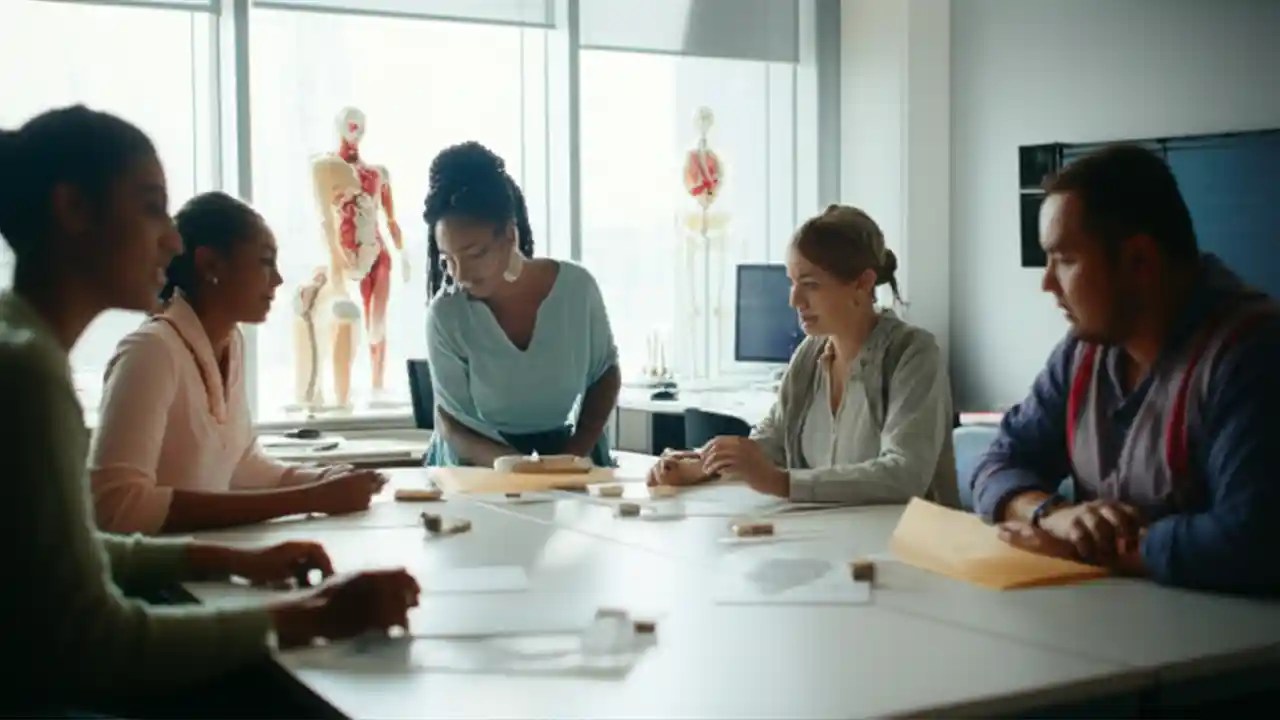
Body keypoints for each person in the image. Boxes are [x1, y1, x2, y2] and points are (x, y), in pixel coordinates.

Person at [0, 105, 418, 715]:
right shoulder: (30, 372)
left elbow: (81, 547)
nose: (171, 239)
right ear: (73, 211)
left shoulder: (30, 352)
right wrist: (317, 613)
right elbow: (93, 640)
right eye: (150, 207)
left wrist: (232, 559)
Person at [971, 144, 1280, 594]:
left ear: (1139, 261)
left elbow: (1252, 541)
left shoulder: (1251, 353)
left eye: (1066, 259)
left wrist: (1091, 548)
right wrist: (1056, 515)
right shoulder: (1082, 353)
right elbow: (997, 462)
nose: (1047, 283)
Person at [89, 191, 385, 534]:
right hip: (157, 579)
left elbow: (241, 465)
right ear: (210, 265)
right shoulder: (150, 352)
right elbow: (117, 508)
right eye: (265, 262)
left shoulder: (231, 343)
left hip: (211, 564)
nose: (277, 280)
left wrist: (323, 479)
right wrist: (310, 498)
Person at [649, 205, 958, 507]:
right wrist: (702, 464)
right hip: (828, 539)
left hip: (904, 549)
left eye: (810, 284)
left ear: (862, 283)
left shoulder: (913, 354)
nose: (794, 299)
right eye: (793, 282)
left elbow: (904, 474)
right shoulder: (810, 355)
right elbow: (772, 442)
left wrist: (781, 482)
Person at [423, 141, 620, 467]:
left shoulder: (576, 289)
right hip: (476, 466)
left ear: (510, 237)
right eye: (448, 260)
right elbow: (452, 422)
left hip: (563, 454)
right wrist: (520, 469)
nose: (461, 274)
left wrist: (572, 455)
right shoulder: (446, 315)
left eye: (475, 254)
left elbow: (604, 373)